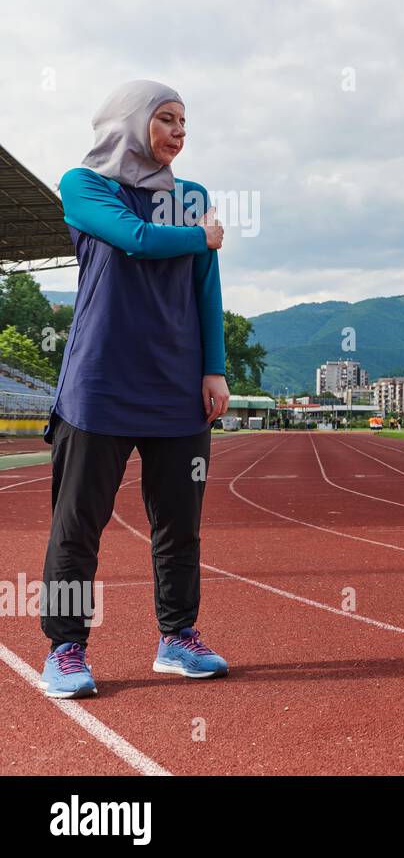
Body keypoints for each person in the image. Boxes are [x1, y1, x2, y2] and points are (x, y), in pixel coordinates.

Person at [37, 80, 231, 699]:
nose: (179, 132)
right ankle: (66, 648)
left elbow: (206, 290)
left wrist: (214, 368)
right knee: (77, 525)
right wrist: (201, 235)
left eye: (184, 123)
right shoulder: (85, 186)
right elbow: (135, 239)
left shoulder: (192, 195)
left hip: (177, 386)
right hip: (99, 384)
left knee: (180, 523)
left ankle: (178, 638)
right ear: (129, 121)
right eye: (166, 119)